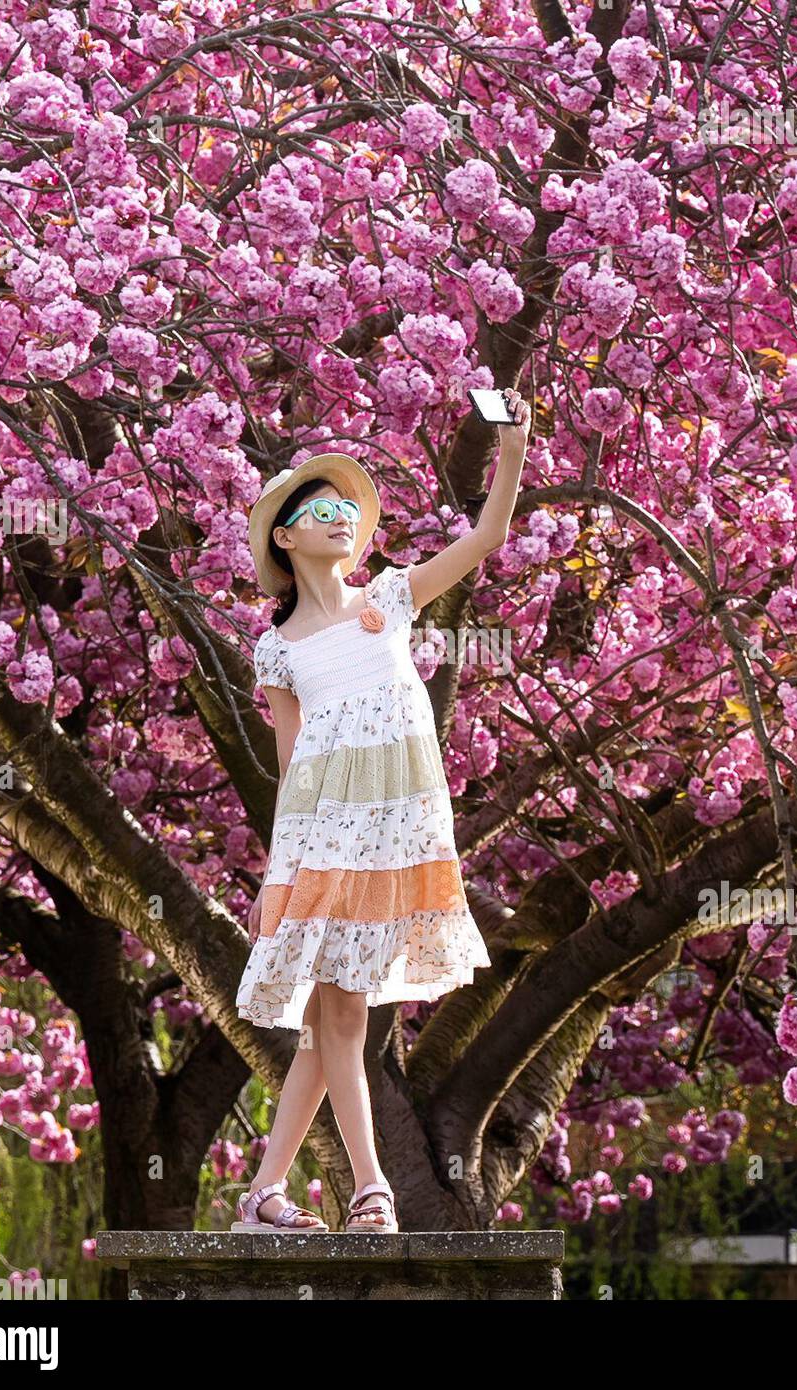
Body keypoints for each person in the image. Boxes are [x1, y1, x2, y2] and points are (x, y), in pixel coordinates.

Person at [234, 387, 533, 1234]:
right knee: (342, 1014)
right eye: (319, 508)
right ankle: (371, 1188)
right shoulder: (277, 649)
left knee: (336, 1019)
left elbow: (487, 538)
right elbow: (291, 769)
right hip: (326, 838)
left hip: (397, 831)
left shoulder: (393, 597)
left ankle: (265, 1195)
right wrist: (274, 875)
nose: (339, 517)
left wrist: (509, 451)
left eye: (346, 510)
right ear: (286, 537)